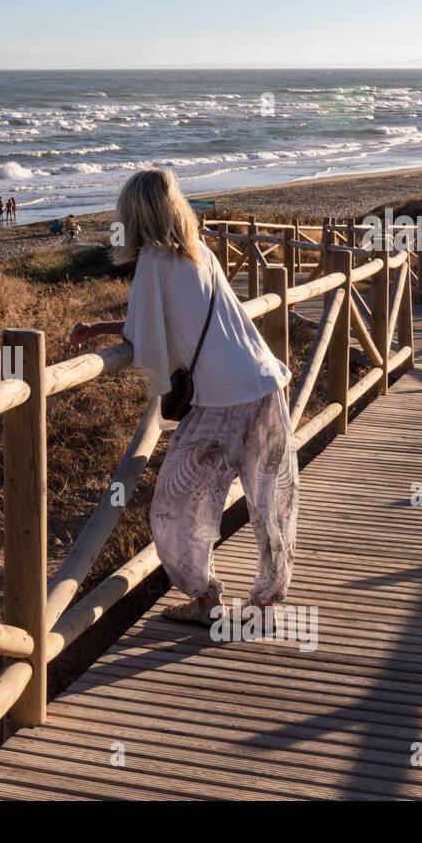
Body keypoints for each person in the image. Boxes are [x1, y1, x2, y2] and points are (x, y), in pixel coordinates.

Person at [68, 169, 297, 625]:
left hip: (222, 401)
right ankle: (266, 603)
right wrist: (104, 327)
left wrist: (101, 331)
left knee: (177, 506)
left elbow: (145, 333)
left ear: (136, 213)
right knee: (271, 501)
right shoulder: (200, 253)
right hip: (266, 383)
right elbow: (187, 320)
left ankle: (206, 599)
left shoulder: (154, 259)